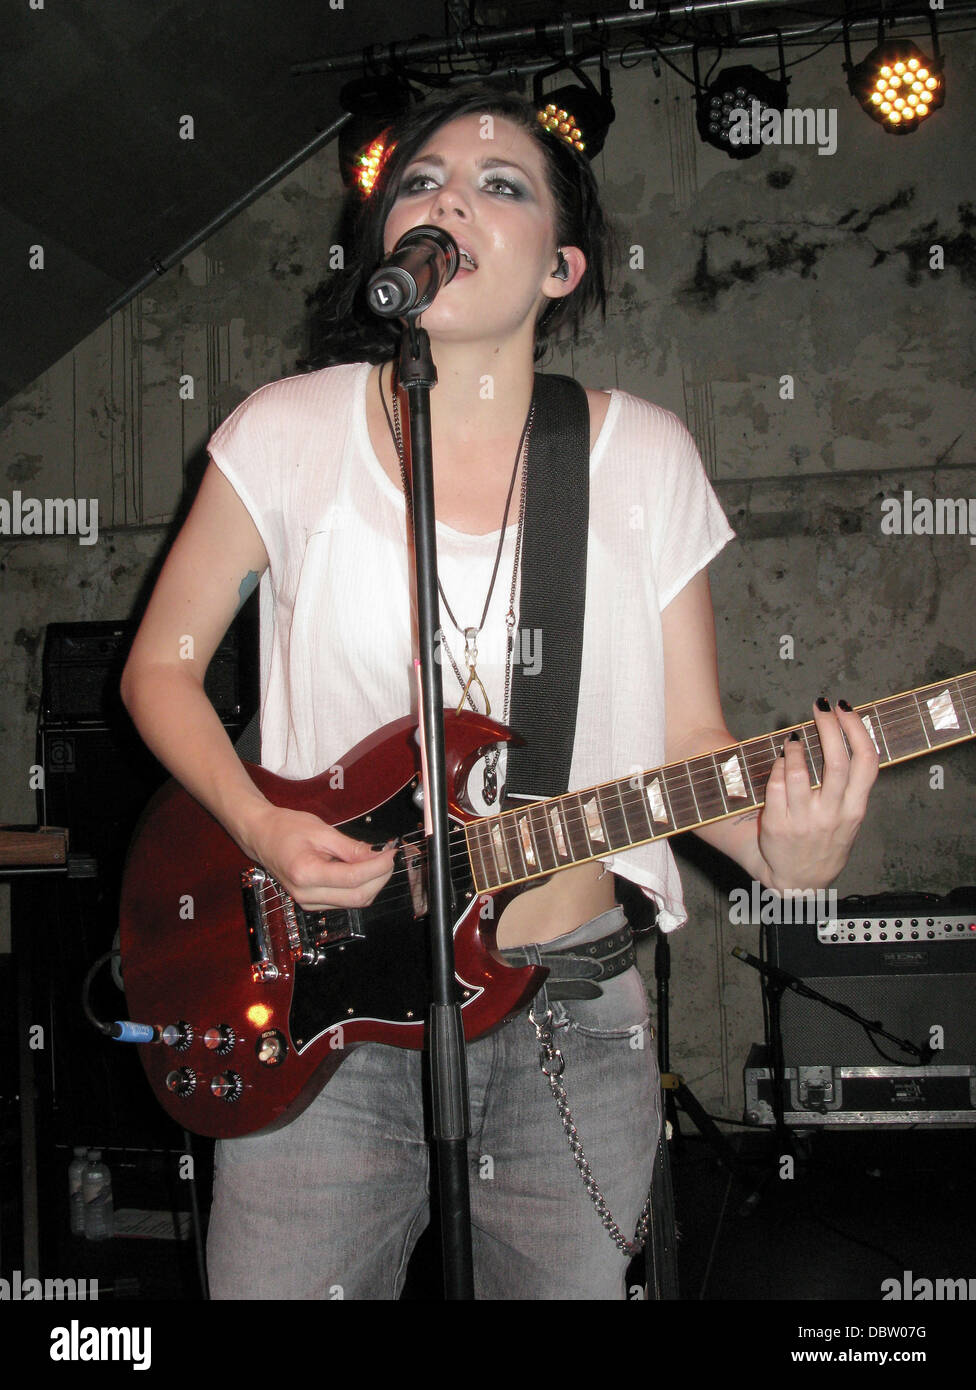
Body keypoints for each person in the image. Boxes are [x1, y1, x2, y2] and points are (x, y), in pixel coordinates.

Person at [120, 86, 878, 1300]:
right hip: (326, 1003)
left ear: (561, 268)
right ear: (384, 246)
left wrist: (789, 853)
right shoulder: (282, 430)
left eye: (500, 185)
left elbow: (692, 742)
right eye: (419, 182)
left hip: (570, 1011)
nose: (448, 199)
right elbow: (157, 669)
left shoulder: (642, 456)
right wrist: (260, 825)